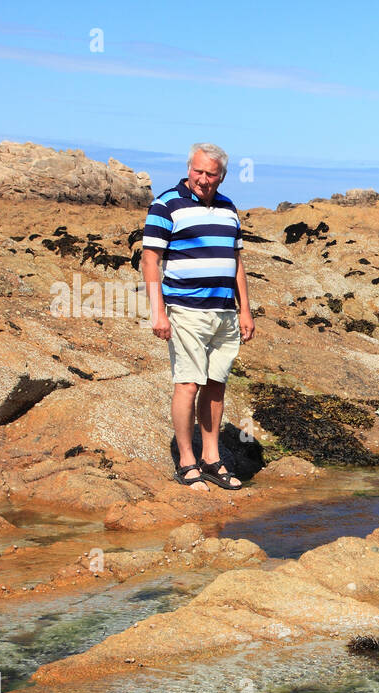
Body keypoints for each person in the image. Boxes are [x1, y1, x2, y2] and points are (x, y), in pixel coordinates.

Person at [141, 143, 255, 490]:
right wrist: (157, 312)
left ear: (221, 176)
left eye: (211, 174)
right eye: (198, 171)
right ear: (189, 169)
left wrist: (245, 309)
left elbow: (236, 262)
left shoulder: (228, 208)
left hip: (224, 313)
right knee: (188, 384)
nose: (204, 179)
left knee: (216, 387)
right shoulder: (166, 204)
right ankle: (187, 462)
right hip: (186, 311)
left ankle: (211, 458)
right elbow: (149, 260)